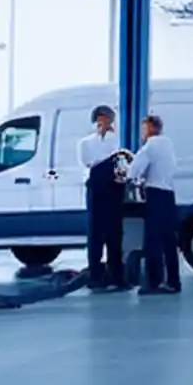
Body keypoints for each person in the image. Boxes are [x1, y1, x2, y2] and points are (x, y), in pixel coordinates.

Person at [78, 105, 130, 291]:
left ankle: (116, 276)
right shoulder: (86, 142)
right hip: (97, 188)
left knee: (114, 234)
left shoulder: (116, 140)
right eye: (105, 118)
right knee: (96, 233)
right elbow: (89, 161)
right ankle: (96, 276)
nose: (109, 122)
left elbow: (120, 159)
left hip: (114, 188)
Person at [127, 114, 181, 295]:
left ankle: (154, 282)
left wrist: (130, 177)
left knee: (153, 241)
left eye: (144, 128)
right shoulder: (168, 144)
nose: (142, 133)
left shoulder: (150, 146)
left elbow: (134, 171)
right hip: (169, 193)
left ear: (150, 128)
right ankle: (173, 281)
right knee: (169, 241)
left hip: (155, 194)